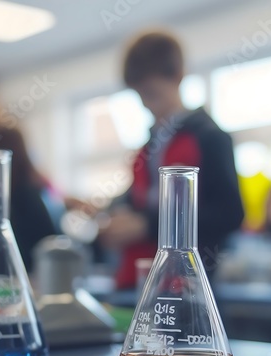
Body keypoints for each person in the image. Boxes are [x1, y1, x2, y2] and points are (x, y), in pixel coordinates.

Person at [101, 31, 244, 288]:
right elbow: (139, 200)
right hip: (144, 277)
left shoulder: (210, 137)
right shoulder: (150, 147)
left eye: (152, 93)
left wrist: (147, 226)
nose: (147, 105)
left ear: (178, 76)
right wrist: (112, 217)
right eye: (140, 95)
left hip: (192, 282)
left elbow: (230, 213)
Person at [0, 126, 58, 272]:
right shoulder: (33, 185)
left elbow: (4, 253)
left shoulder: (16, 195)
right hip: (42, 270)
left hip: (29, 274)